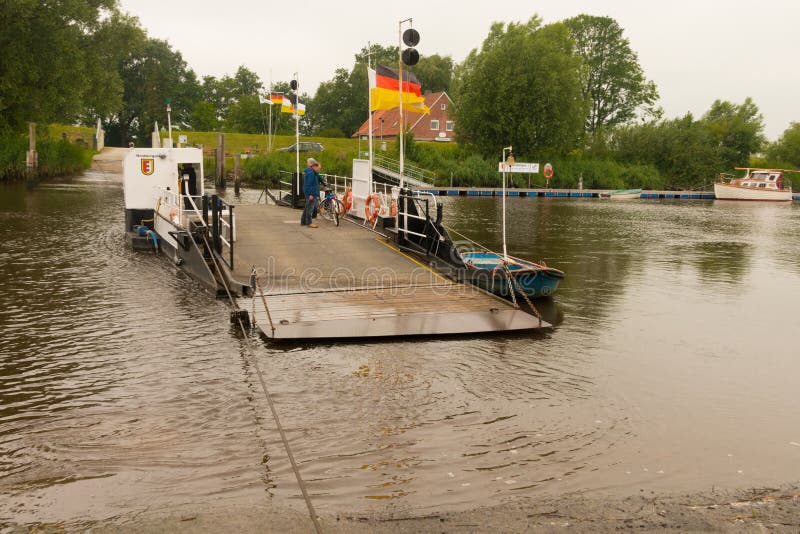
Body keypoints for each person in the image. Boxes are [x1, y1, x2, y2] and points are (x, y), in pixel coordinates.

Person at [301, 157, 320, 227]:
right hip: (311, 194)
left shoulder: (310, 172)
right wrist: (311, 194)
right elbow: (309, 185)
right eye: (316, 166)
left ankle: (303, 221)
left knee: (307, 208)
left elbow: (308, 184)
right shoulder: (311, 173)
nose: (317, 167)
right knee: (310, 209)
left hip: (309, 193)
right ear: (312, 165)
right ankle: (309, 222)